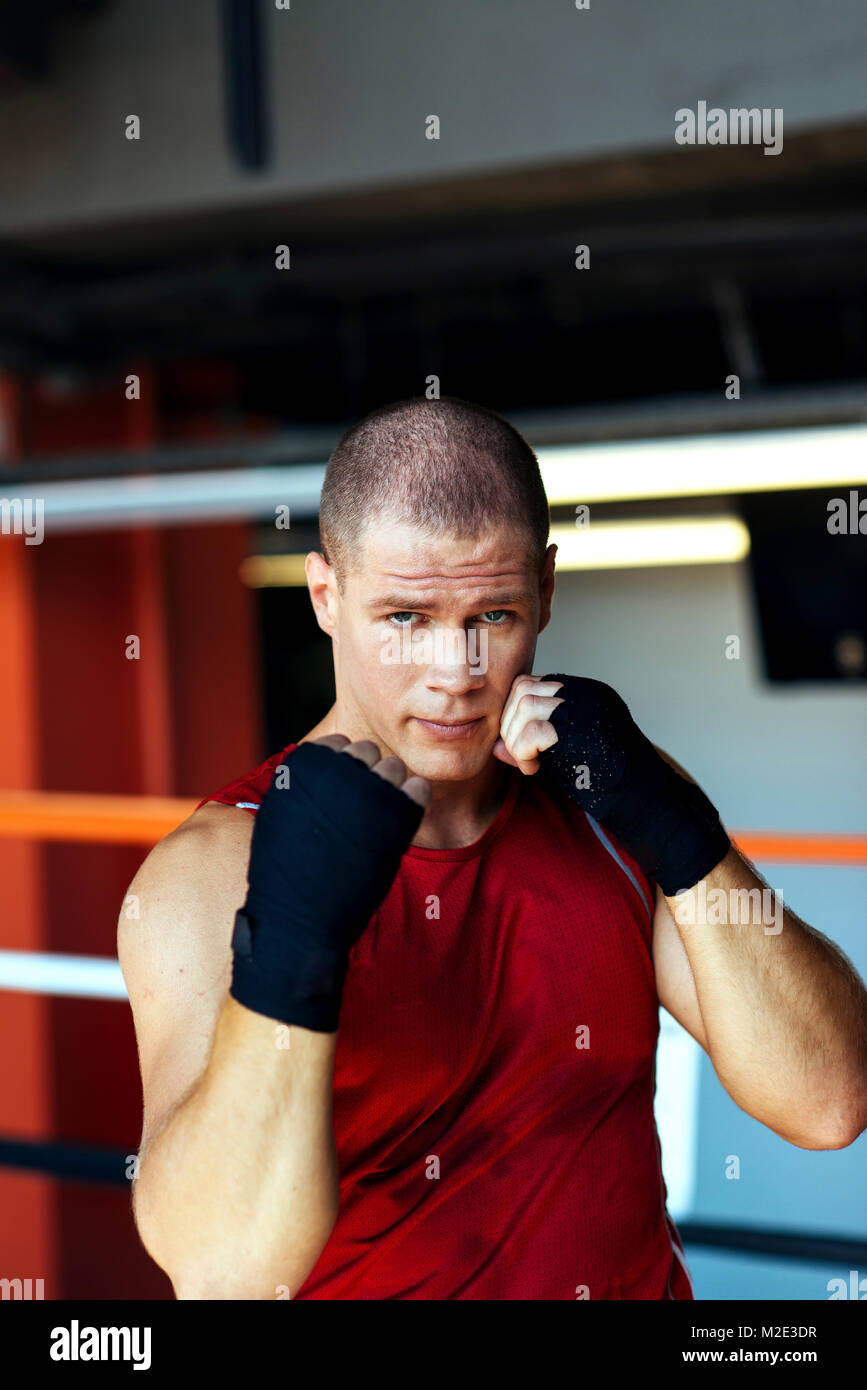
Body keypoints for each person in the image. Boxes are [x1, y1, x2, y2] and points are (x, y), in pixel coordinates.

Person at [119, 395, 867, 1300]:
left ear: (546, 590)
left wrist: (679, 830)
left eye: (494, 615)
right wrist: (291, 944)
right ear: (326, 595)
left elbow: (828, 1101)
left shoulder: (607, 797)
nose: (456, 673)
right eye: (404, 618)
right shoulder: (212, 871)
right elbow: (222, 1271)